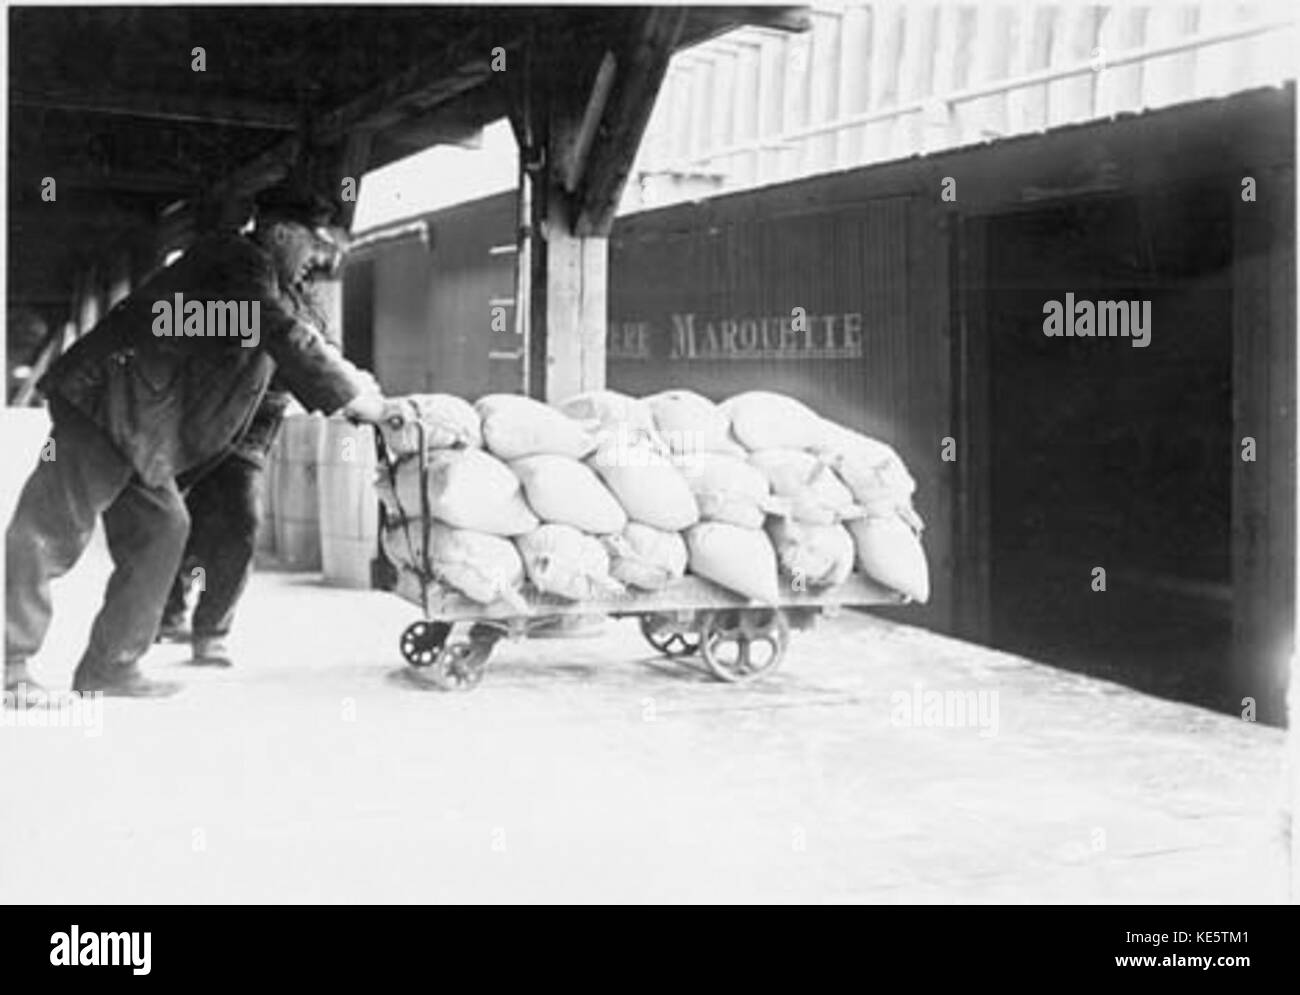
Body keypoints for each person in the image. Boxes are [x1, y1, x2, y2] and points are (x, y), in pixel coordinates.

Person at [4, 183, 400, 704]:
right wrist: (350, 396)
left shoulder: (274, 283)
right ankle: (8, 666)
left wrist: (359, 388)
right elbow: (275, 327)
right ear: (281, 232)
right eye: (313, 243)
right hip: (107, 403)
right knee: (51, 527)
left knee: (163, 528)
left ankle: (111, 666)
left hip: (141, 423)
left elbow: (304, 336)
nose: (318, 259)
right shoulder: (231, 257)